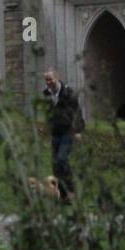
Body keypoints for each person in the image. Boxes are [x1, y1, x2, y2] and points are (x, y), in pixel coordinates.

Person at [41, 68, 84, 202]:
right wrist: (46, 128)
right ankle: (62, 194)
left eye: (51, 79)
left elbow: (77, 112)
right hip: (56, 131)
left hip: (68, 131)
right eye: (46, 80)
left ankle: (71, 189)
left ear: (57, 78)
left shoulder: (68, 93)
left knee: (61, 159)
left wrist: (78, 131)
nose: (49, 82)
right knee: (56, 165)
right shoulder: (47, 94)